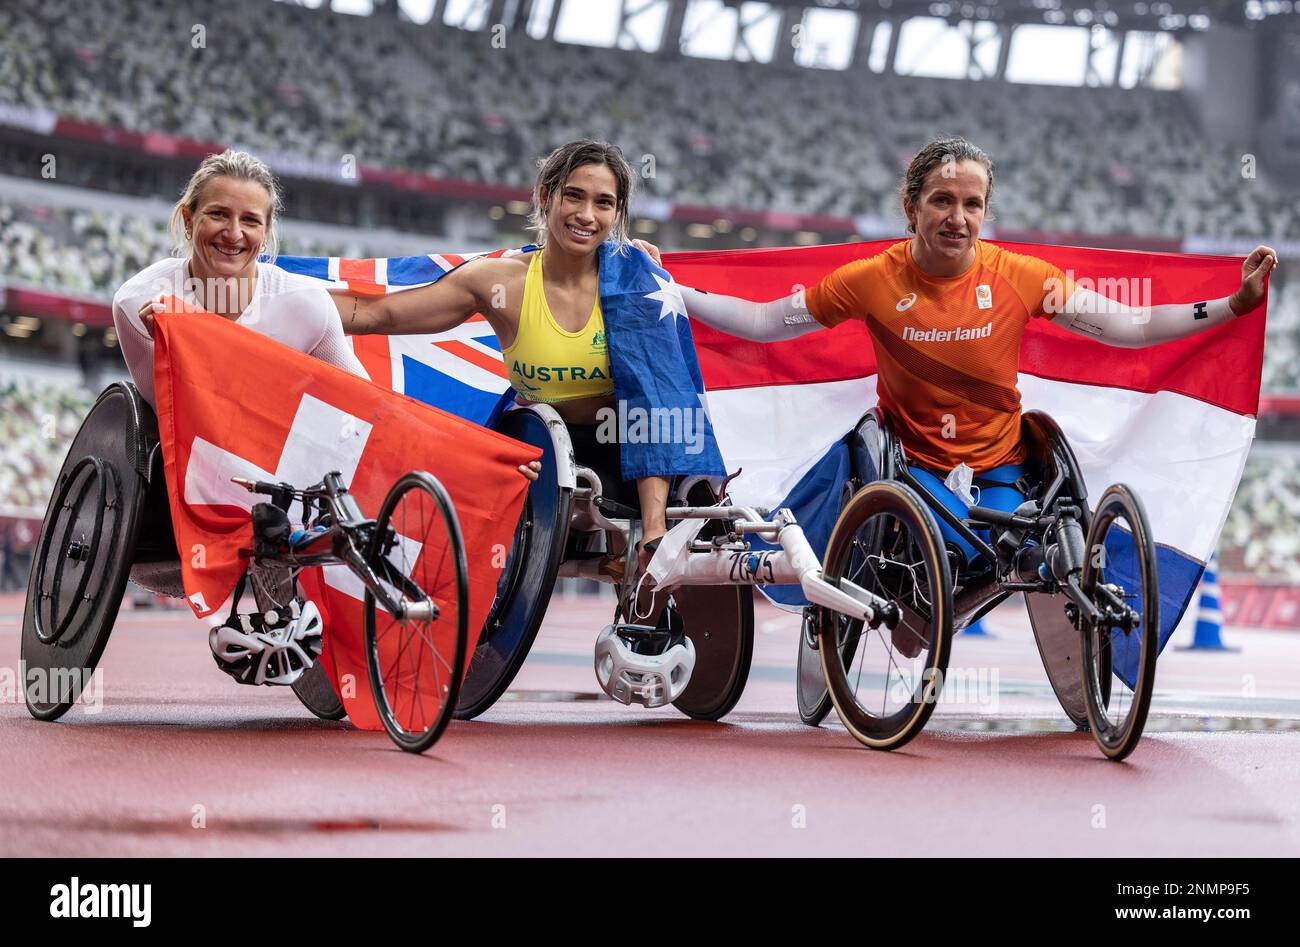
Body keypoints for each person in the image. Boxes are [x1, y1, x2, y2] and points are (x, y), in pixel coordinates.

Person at [676, 136, 1275, 578]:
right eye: (942, 201)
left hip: (1000, 464)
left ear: (986, 211)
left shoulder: (1019, 276)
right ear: (911, 208)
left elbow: (1130, 324)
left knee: (1005, 551)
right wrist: (671, 289)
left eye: (972, 203)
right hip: (912, 470)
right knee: (959, 554)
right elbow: (761, 322)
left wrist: (1231, 305)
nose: (957, 218)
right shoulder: (869, 280)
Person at [110, 150, 534, 708]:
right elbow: (169, 410)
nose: (233, 233)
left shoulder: (303, 305)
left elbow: (368, 408)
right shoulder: (139, 301)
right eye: (217, 215)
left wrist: (481, 456)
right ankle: (269, 595)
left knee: (351, 473)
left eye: (251, 221)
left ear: (267, 232)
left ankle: (382, 598)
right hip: (176, 492)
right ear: (187, 219)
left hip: (282, 474)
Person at [335, 138, 670, 573]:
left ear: (617, 214)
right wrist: (262, 298)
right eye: (574, 196)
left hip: (630, 455)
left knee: (685, 511)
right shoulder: (502, 283)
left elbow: (660, 397)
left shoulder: (635, 280)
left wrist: (655, 528)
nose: (587, 215)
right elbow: (379, 313)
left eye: (603, 203)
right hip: (542, 452)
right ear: (547, 196)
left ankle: (643, 565)